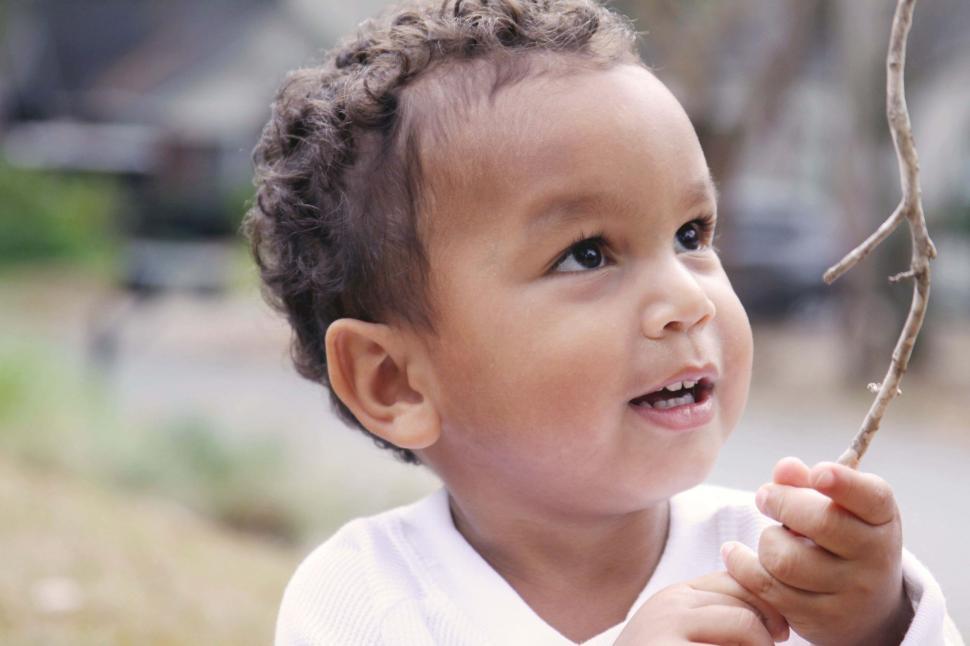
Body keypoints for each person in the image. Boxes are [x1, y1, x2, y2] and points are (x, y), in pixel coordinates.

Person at [244, 1, 963, 644]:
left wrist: (879, 621)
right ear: (395, 381)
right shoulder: (365, 599)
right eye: (587, 255)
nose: (688, 300)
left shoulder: (784, 565)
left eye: (692, 233)